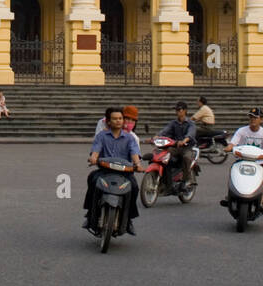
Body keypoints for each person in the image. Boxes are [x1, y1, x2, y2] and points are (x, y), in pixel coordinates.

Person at [84, 106, 142, 235]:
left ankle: (129, 219)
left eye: (120, 118)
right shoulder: (102, 136)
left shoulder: (130, 138)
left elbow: (134, 153)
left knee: (134, 187)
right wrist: (93, 158)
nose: (118, 121)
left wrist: (137, 164)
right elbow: (96, 150)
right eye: (115, 119)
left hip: (125, 173)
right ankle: (90, 213)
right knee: (92, 179)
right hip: (105, 171)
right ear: (108, 121)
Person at [229, 109, 263, 207]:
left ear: (261, 120)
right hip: (241, 161)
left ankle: (260, 202)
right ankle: (231, 197)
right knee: (232, 174)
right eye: (251, 117)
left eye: (255, 117)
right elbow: (232, 143)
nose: (253, 119)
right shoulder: (241, 130)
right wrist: (228, 148)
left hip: (259, 163)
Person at [156, 101, 197, 190]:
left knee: (186, 157)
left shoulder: (191, 123)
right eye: (176, 110)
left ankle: (185, 180)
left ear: (185, 111)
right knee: (162, 155)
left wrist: (184, 140)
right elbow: (165, 131)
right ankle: (166, 180)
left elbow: (190, 134)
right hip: (175, 147)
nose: (177, 112)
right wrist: (156, 137)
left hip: (187, 147)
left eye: (179, 110)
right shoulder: (173, 123)